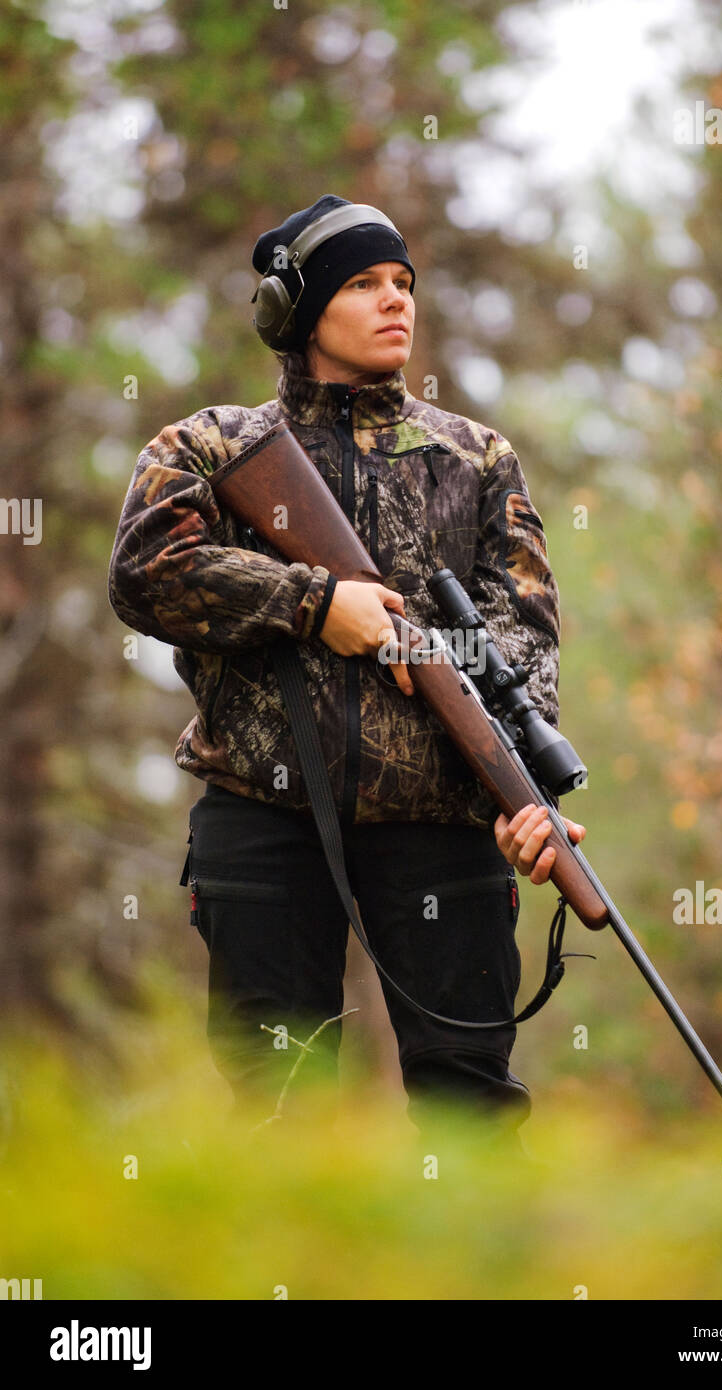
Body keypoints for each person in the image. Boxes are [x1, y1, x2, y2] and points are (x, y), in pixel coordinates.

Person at [108, 194, 585, 1141]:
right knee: (278, 1105)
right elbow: (144, 575)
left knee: (470, 1110)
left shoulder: (475, 457)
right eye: (362, 283)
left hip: (444, 827)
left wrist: (523, 796)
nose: (393, 301)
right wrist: (314, 604)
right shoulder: (207, 448)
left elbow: (522, 635)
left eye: (402, 283)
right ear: (296, 310)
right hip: (263, 815)